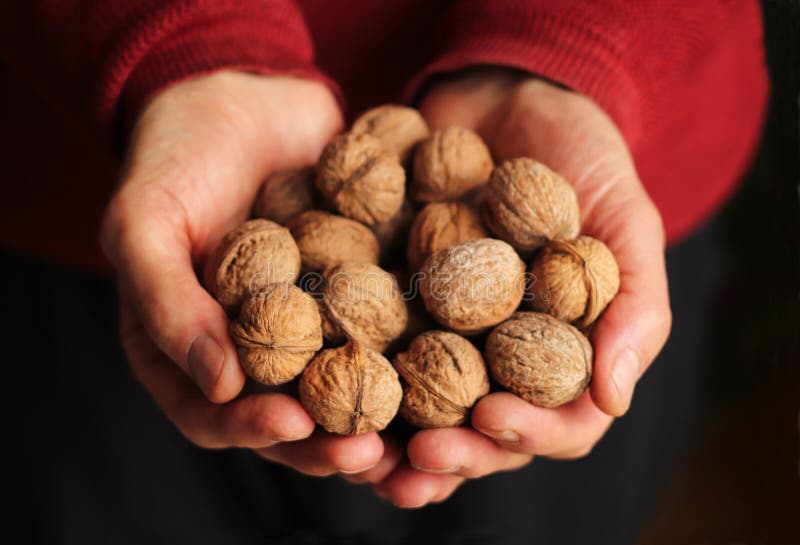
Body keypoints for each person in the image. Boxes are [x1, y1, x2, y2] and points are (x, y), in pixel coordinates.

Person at [1, 1, 767, 543]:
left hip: (630, 129)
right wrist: (184, 43)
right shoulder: (307, 259)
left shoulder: (511, 253)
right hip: (106, 228)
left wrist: (575, 44)